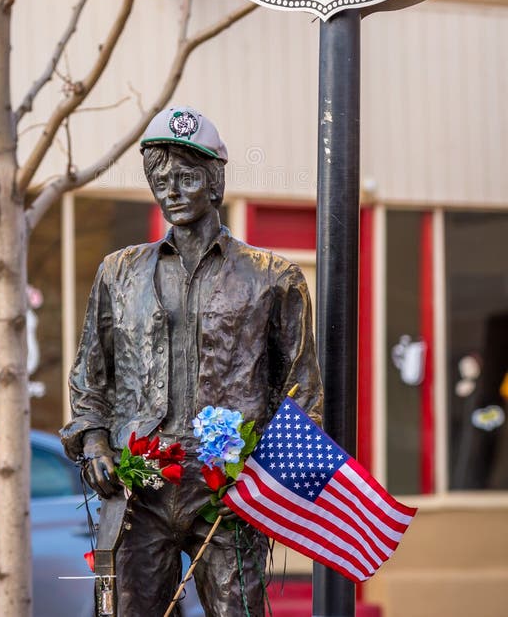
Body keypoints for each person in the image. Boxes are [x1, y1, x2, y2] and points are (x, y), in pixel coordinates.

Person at [61, 106, 322, 617]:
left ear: (215, 182)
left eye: (187, 177)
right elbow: (90, 379)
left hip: (225, 494)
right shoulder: (119, 274)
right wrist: (93, 444)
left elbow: (302, 393)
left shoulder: (273, 278)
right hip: (141, 490)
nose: (172, 191)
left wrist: (265, 476)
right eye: (161, 180)